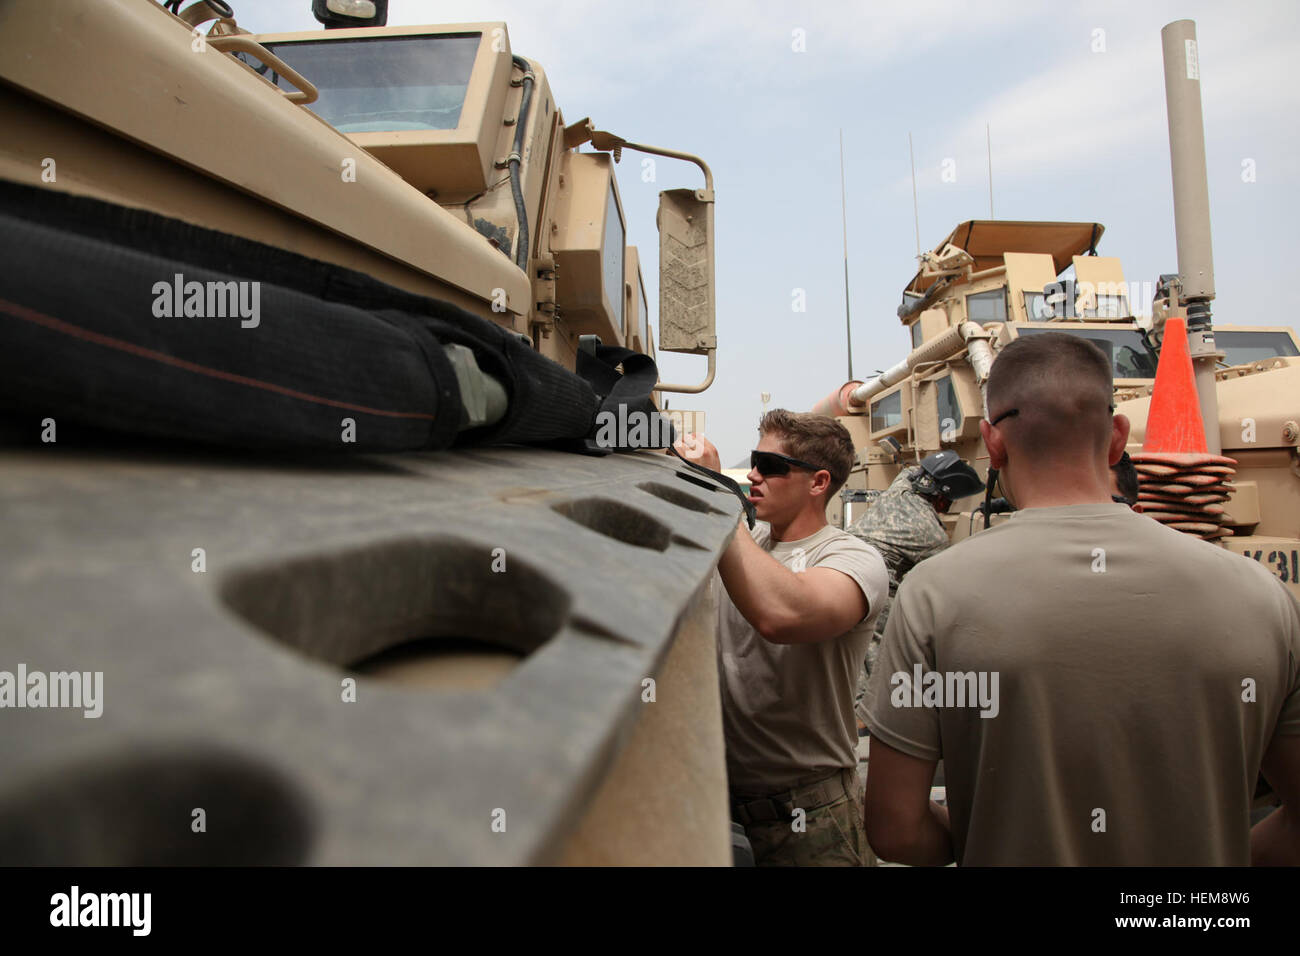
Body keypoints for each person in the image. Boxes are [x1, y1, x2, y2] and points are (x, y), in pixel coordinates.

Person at [862, 331, 1300, 866]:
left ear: (993, 443)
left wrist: (994, 826)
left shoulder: (933, 594)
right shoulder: (1264, 596)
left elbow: (894, 830)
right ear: (1118, 437)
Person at [675, 410, 888, 866]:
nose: (753, 475)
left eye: (770, 466)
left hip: (811, 817)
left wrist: (718, 496)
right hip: (724, 806)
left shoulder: (852, 558)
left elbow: (783, 614)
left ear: (818, 483)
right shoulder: (749, 545)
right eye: (754, 461)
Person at [847, 451, 983, 723]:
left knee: (852, 644)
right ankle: (869, 716)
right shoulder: (930, 534)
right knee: (878, 645)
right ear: (941, 498)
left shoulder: (902, 483)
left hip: (843, 559)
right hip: (874, 580)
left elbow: (912, 471)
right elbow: (949, 580)